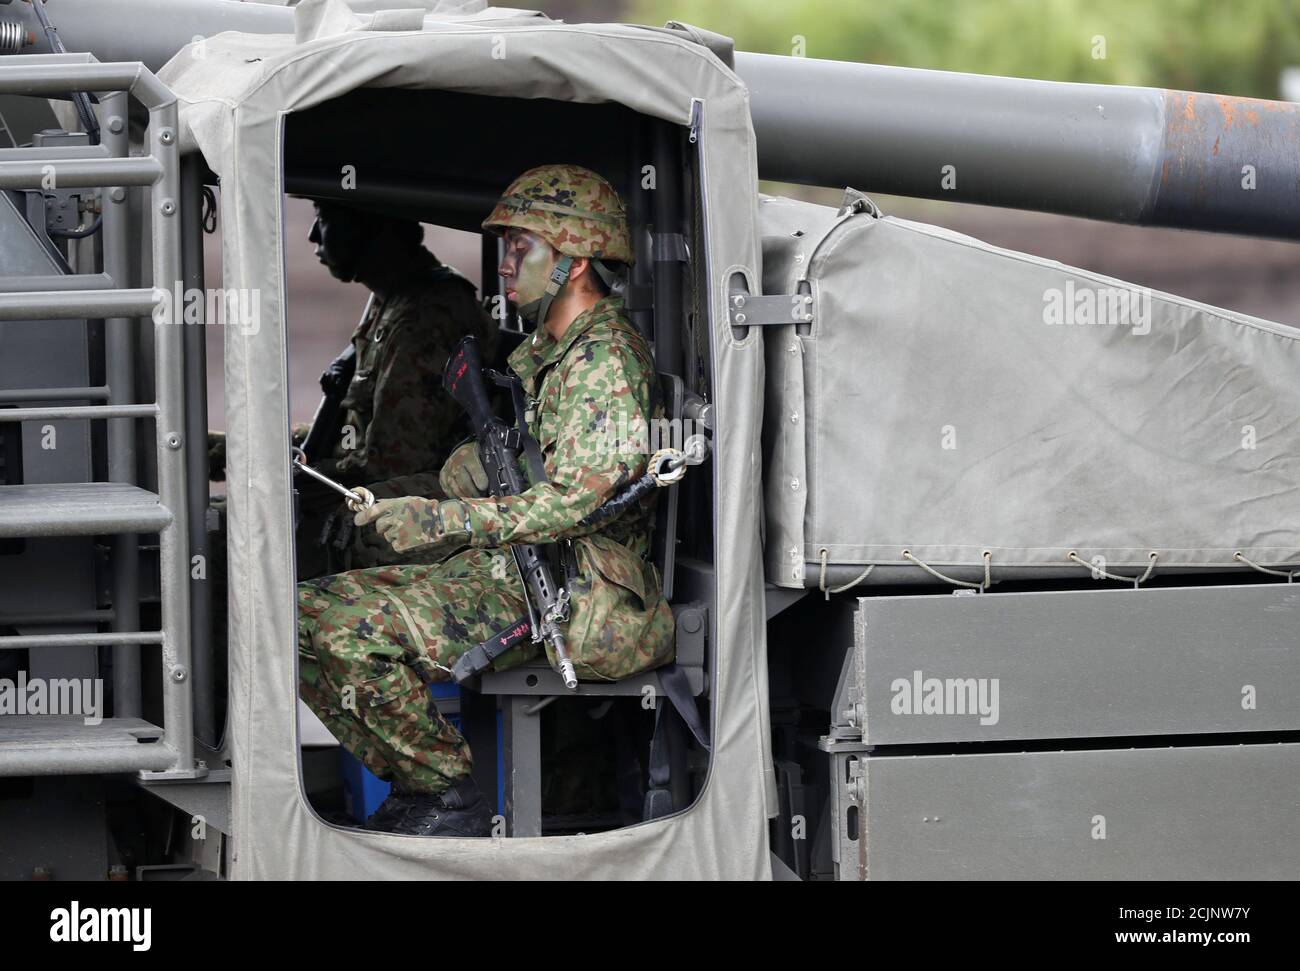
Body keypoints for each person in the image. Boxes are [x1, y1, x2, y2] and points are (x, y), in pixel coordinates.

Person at [297, 164, 676, 837]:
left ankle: (443, 789)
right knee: (299, 615)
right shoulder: (554, 350)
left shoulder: (607, 362)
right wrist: (459, 476)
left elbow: (575, 502)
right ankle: (426, 786)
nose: (505, 264)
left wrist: (447, 518)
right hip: (533, 567)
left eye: (521, 247)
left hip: (575, 591)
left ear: (576, 260)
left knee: (335, 628)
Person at [208, 200, 495, 575]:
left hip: (400, 504)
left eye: (325, 219)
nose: (313, 235)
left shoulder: (427, 316)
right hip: (370, 490)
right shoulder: (393, 299)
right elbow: (358, 436)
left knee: (212, 536)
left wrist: (286, 467)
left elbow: (391, 463)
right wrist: (249, 447)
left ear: (374, 226)